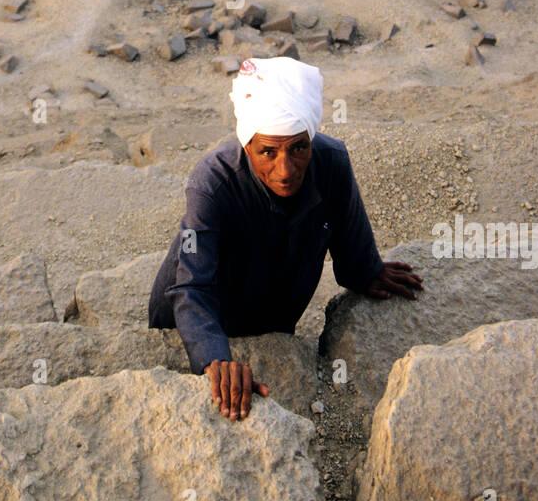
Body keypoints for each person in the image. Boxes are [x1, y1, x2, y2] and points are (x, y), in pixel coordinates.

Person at [148, 55, 423, 420]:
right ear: (247, 146)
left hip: (273, 311)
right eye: (268, 152)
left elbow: (349, 242)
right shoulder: (211, 182)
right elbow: (192, 288)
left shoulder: (332, 161)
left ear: (310, 139)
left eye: (298, 148)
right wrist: (215, 357)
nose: (286, 169)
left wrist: (367, 270)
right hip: (203, 315)